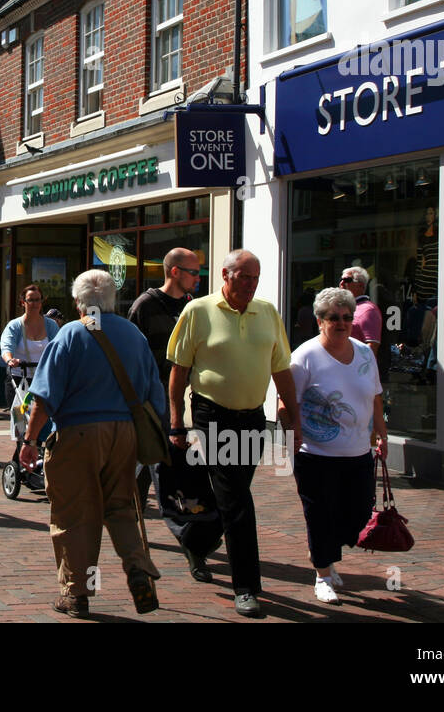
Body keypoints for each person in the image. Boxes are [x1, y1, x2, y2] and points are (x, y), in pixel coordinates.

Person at [21, 269, 165, 619]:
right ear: (112, 300)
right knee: (121, 508)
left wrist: (28, 441)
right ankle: (138, 570)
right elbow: (153, 396)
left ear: (78, 301)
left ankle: (77, 593)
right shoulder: (134, 335)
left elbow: (43, 397)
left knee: (75, 514)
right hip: (124, 435)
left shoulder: (70, 334)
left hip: (78, 435)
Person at [167, 249, 301, 618]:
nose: (250, 284)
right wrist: (177, 421)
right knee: (238, 501)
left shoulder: (268, 313)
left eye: (255, 278)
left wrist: (293, 415)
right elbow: (179, 371)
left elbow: (281, 368)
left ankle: (195, 541)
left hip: (253, 419)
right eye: (244, 277)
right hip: (213, 416)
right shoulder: (198, 311)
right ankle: (247, 587)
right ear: (224, 275)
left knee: (231, 497)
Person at [127, 247, 220, 582]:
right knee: (168, 475)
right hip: (152, 407)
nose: (199, 278)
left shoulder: (194, 307)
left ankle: (134, 532)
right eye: (195, 273)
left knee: (148, 473)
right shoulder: (145, 306)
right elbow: (130, 356)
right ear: (175, 271)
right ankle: (192, 546)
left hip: (185, 406)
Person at [290, 287, 387, 603]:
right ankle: (323, 575)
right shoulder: (304, 356)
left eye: (347, 317)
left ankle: (323, 551)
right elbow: (287, 402)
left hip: (358, 452)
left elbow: (375, 397)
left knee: (357, 518)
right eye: (334, 317)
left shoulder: (363, 353)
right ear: (320, 321)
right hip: (316, 454)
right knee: (320, 514)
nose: (342, 322)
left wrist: (382, 434)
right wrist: (291, 429)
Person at [0, 284, 59, 371]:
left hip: (43, 379)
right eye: (30, 300)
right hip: (19, 379)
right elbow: (6, 347)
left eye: (37, 300)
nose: (34, 304)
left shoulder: (51, 325)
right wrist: (10, 360)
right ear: (23, 303)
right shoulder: (14, 325)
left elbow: (59, 348)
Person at [340, 266, 381, 361]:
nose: (341, 283)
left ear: (361, 286)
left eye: (347, 280)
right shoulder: (348, 308)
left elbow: (371, 348)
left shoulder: (368, 310)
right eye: (341, 279)